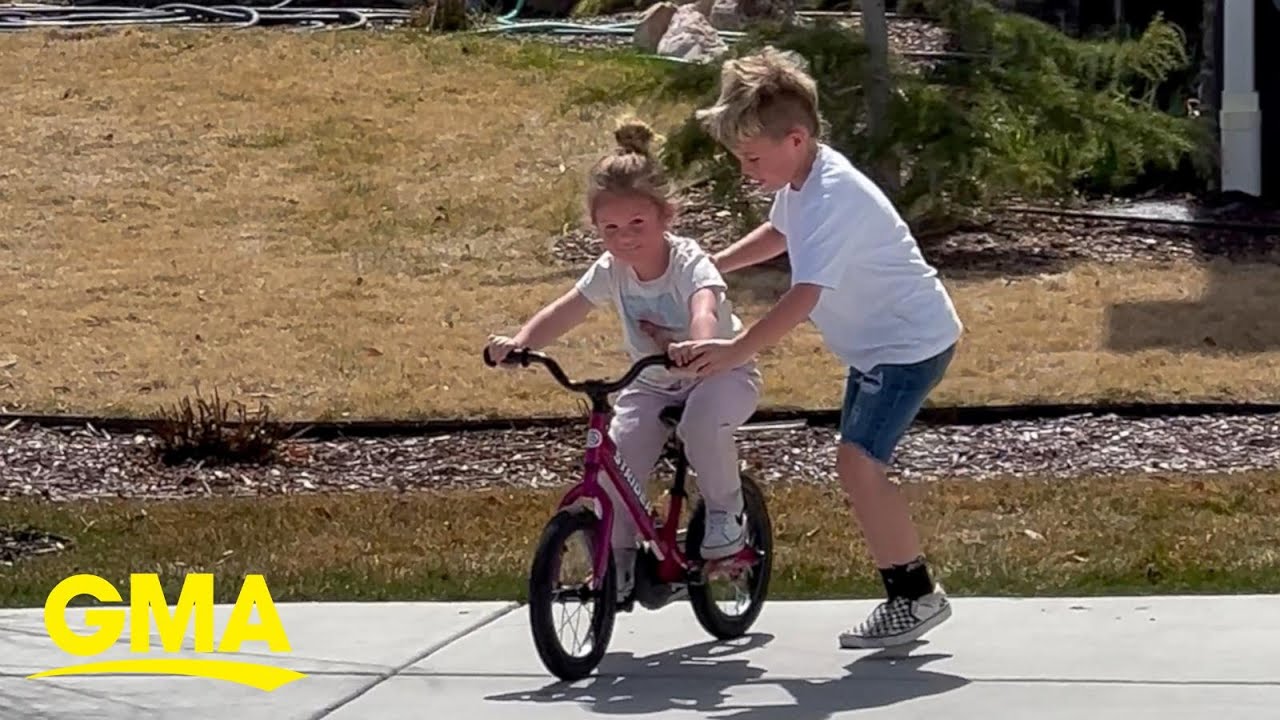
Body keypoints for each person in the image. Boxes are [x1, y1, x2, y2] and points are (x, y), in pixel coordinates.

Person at [671, 46, 964, 649]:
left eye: (751, 157)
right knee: (858, 464)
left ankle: (915, 598)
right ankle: (914, 595)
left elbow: (803, 295)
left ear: (796, 139)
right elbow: (779, 232)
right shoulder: (803, 183)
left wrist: (735, 350)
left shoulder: (833, 196)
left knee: (858, 465)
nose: (744, 168)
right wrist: (713, 267)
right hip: (878, 348)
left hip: (907, 346)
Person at [484, 118, 763, 607]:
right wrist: (521, 342)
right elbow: (568, 308)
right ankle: (618, 559)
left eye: (637, 224)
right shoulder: (612, 269)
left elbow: (705, 303)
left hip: (720, 373)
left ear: (666, 216)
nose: (625, 237)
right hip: (653, 383)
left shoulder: (688, 260)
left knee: (701, 427)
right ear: (596, 230)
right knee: (618, 455)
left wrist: (697, 345)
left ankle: (727, 514)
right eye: (610, 228)